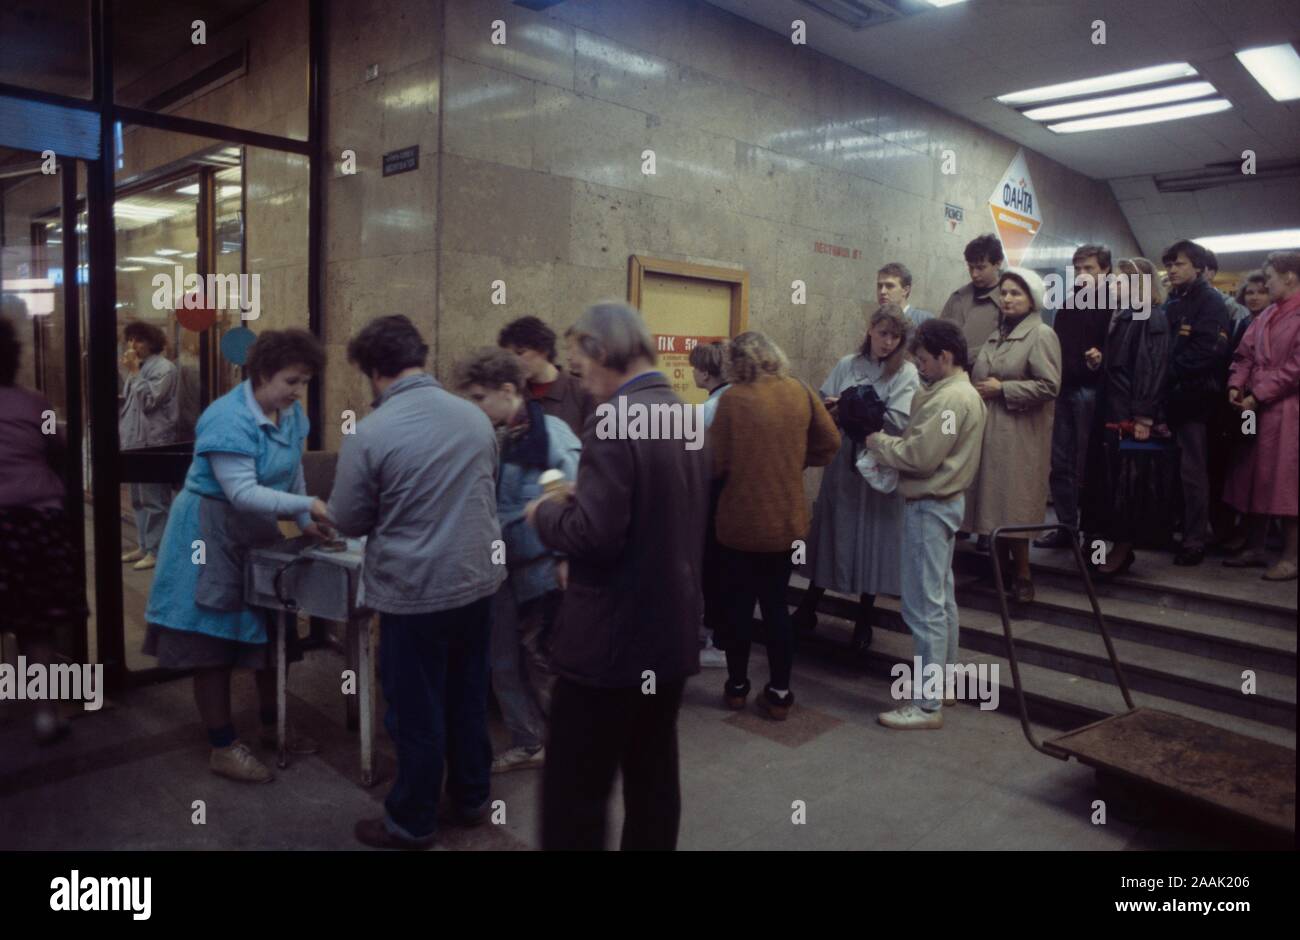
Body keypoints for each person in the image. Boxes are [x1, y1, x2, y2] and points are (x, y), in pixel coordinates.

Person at [527, 301, 707, 851]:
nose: (585, 388)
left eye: (581, 371)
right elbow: (666, 509)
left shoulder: (613, 420)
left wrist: (549, 513)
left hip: (608, 646)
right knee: (653, 779)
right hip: (669, 635)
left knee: (573, 793)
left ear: (602, 353)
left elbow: (594, 537)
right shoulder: (683, 413)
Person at [331, 316, 504, 850]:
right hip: (477, 583)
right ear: (420, 357)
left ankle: (411, 819)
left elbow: (349, 519)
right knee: (469, 693)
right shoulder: (474, 418)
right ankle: (473, 799)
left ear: (373, 370)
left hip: (414, 592)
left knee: (416, 707)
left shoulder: (371, 432)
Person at [143, 329, 331, 783]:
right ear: (262, 373)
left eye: (304, 381)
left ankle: (273, 725)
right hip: (209, 531)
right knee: (214, 641)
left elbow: (291, 473)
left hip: (254, 532)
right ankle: (222, 745)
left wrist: (305, 521)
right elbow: (243, 493)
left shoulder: (290, 413)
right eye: (291, 380)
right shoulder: (225, 418)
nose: (297, 390)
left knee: (271, 635)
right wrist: (307, 508)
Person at [454, 347, 581, 774]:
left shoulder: (553, 434)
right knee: (502, 659)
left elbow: (576, 497)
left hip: (541, 568)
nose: (473, 407)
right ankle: (530, 741)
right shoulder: (496, 435)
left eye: (478, 397)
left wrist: (566, 557)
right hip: (501, 568)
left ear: (507, 390)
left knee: (542, 662)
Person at [865, 319, 987, 729]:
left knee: (922, 607)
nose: (918, 367)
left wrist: (876, 441)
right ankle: (945, 683)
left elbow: (920, 456)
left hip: (928, 505)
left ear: (945, 357)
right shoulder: (958, 393)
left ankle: (926, 704)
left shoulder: (949, 400)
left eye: (923, 361)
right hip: (946, 503)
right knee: (941, 599)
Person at [711, 331, 839, 719]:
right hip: (785, 524)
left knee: (737, 609)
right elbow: (829, 444)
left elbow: (714, 462)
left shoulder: (733, 398)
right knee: (777, 607)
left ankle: (736, 688)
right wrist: (793, 462)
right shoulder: (799, 391)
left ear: (737, 361)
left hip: (739, 526)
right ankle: (780, 693)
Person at [794, 304, 920, 653]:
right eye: (883, 333)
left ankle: (865, 616)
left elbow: (896, 418)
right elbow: (823, 406)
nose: (887, 342)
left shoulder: (906, 373)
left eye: (895, 337)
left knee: (872, 538)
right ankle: (810, 605)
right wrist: (843, 408)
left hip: (877, 462)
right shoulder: (848, 364)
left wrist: (853, 407)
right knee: (832, 530)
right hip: (843, 463)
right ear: (870, 330)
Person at [0, 311, 88, 743]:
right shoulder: (36, 404)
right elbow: (61, 447)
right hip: (38, 524)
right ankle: (45, 714)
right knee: (38, 625)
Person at [964, 268, 1063, 602]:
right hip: (990, 430)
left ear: (1032, 299)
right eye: (1004, 293)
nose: (1007, 298)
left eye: (1015, 293)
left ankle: (1023, 574)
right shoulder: (997, 334)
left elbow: (1049, 385)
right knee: (994, 501)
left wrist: (1003, 388)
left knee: (1015, 503)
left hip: (1021, 434)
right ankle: (1000, 569)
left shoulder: (1041, 334)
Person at [1080, 257, 1172, 577]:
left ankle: (1122, 549)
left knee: (1127, 486)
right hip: (1111, 408)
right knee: (1108, 482)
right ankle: (1109, 548)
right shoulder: (1123, 317)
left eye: (1120, 280)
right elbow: (1125, 362)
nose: (1114, 285)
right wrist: (1100, 362)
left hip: (1128, 413)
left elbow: (1153, 368)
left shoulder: (1151, 317)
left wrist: (1144, 417)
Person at [1222, 251, 1300, 581]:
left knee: (1286, 481)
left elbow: (1296, 369)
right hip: (1254, 408)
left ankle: (1291, 556)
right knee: (1251, 474)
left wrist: (1259, 393)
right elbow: (1244, 355)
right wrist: (1236, 386)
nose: (1265, 284)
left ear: (1290, 277)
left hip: (1287, 410)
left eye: (1269, 277)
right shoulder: (1266, 315)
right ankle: (1255, 546)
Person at [1037, 245, 1113, 550]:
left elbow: (1121, 349)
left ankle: (1093, 534)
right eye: (1078, 269)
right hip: (1064, 389)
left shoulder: (1113, 303)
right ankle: (1066, 528)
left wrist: (1102, 358)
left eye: (1090, 269)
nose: (1082, 274)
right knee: (1061, 463)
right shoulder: (1068, 304)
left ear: (1105, 271)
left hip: (1092, 392)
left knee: (1088, 465)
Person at [1161, 239, 1232, 566]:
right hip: (1173, 398)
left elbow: (1208, 353)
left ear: (1199, 268)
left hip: (1197, 400)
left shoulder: (1211, 302)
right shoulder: (1175, 300)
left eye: (1179, 264)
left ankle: (1195, 540)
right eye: (1170, 264)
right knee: (1175, 471)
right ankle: (1176, 529)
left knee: (1193, 472)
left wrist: (1167, 372)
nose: (1172, 269)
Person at [119, 320, 179, 571]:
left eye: (139, 340)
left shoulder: (164, 368)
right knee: (138, 498)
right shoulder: (140, 367)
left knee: (155, 500)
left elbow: (149, 402)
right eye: (131, 340)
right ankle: (144, 545)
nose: (134, 345)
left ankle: (157, 550)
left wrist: (133, 372)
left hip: (154, 440)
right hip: (135, 439)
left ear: (152, 342)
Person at [690, 341, 730, 669]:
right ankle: (717, 634)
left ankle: (718, 641)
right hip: (726, 499)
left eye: (695, 367)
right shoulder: (728, 400)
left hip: (715, 499)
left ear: (705, 371)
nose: (692, 372)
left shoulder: (709, 410)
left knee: (714, 571)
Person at [499, 315, 596, 437]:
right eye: (509, 356)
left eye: (520, 353)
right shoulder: (513, 393)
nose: (514, 362)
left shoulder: (581, 391)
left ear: (543, 349)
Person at [941, 234, 1005, 369]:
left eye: (981, 267)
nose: (974, 274)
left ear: (998, 263)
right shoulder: (957, 297)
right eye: (971, 267)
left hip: (987, 381)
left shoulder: (1007, 302)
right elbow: (939, 335)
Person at [877, 262, 933, 330]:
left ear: (905, 290)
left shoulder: (924, 320)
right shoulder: (876, 321)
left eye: (889, 286)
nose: (882, 291)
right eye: (879, 286)